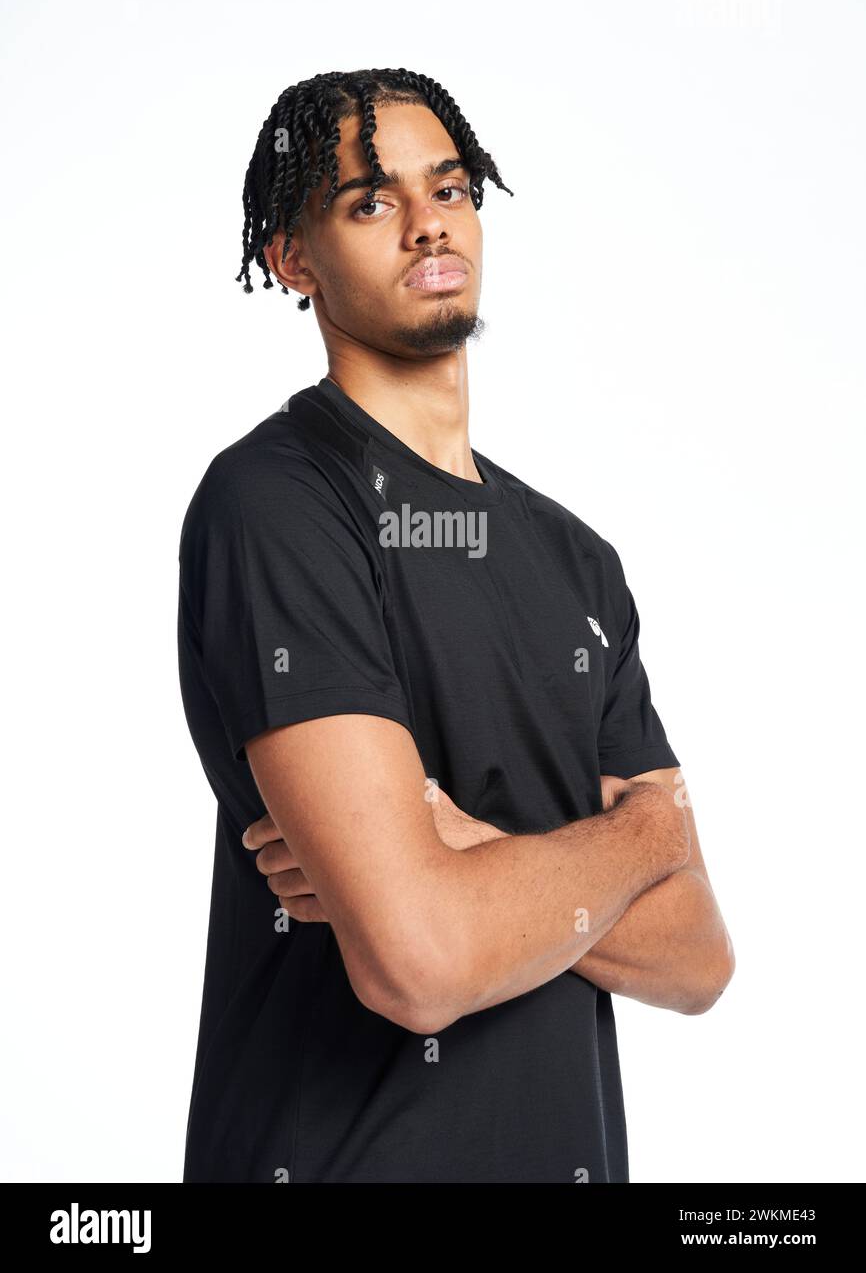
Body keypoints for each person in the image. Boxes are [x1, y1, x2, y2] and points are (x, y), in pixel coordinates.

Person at [177, 67, 735, 1184]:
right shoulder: (277, 505)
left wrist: (461, 852)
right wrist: (643, 841)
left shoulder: (577, 560)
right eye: (369, 201)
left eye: (450, 186)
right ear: (293, 259)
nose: (428, 220)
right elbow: (417, 963)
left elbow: (698, 959)